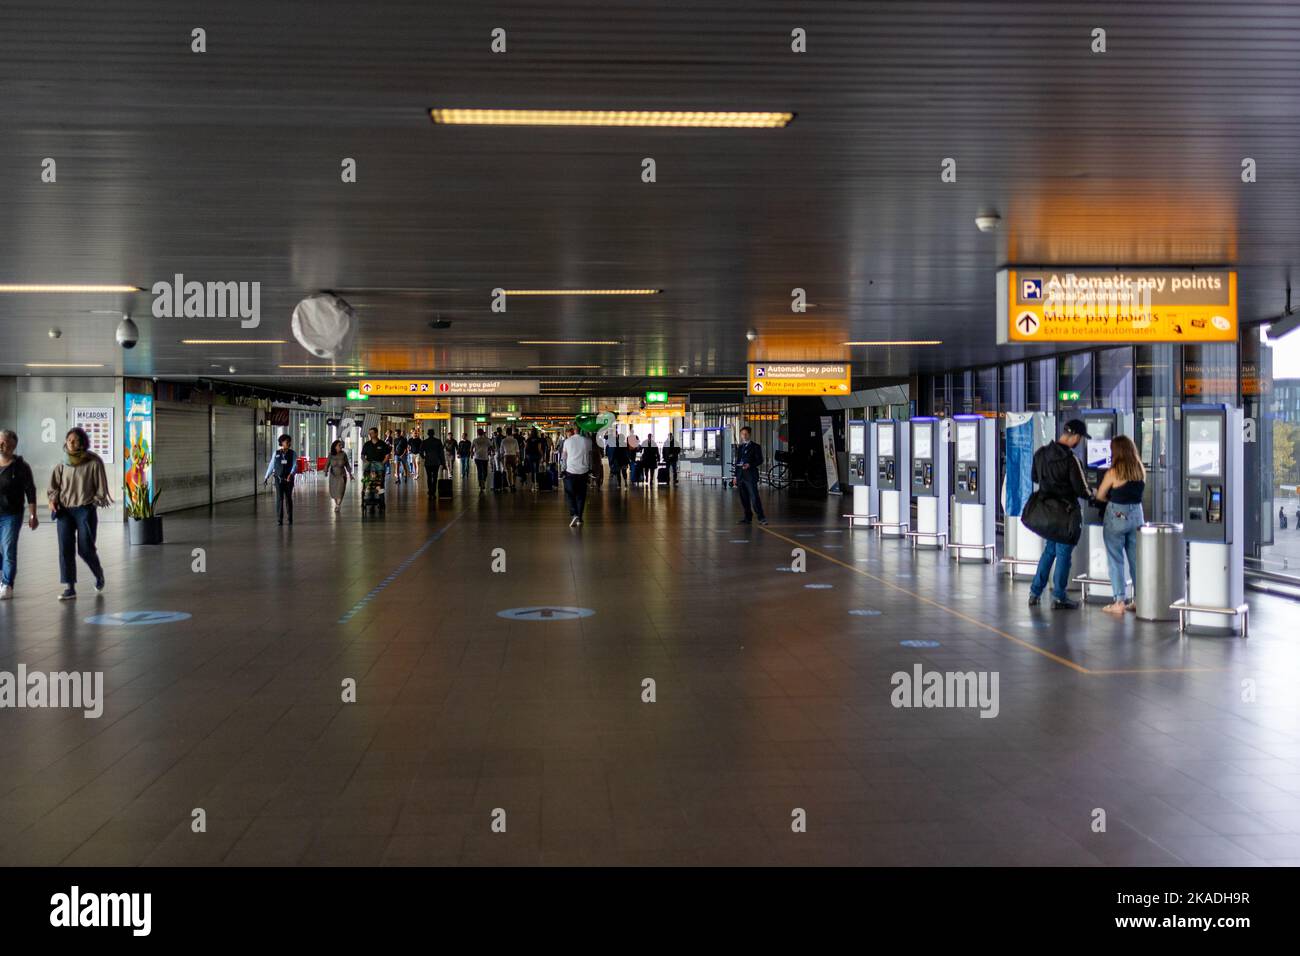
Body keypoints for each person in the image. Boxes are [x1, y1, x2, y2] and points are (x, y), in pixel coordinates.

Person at [1027, 419, 1093, 610]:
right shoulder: (1070, 460)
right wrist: (1094, 495)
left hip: (1047, 512)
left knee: (1049, 551)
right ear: (1076, 437)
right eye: (1080, 438)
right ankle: (1059, 596)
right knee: (1063, 553)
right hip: (1066, 514)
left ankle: (1035, 592)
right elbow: (1082, 490)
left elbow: (1034, 477)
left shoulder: (1041, 454)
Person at [48, 427, 111, 600]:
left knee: (85, 549)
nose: (73, 443)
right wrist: (53, 499)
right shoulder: (62, 463)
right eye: (70, 440)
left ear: (83, 442)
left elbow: (101, 488)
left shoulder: (93, 461)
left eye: (76, 440)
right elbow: (53, 487)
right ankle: (69, 587)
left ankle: (98, 574)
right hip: (64, 511)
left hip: (85, 509)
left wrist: (95, 501)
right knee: (65, 548)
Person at [1094, 435, 1146, 614]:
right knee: (1135, 560)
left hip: (1116, 516)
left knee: (1115, 560)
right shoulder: (1140, 469)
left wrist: (1108, 498)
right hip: (1137, 517)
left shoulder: (1113, 472)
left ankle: (1119, 602)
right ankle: (1140, 600)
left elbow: (1100, 495)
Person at [0, 429, 39, 600]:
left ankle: (7, 583)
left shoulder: (21, 467)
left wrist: (33, 515)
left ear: (13, 445)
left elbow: (30, 491)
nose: (1, 445)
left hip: (11, 515)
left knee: (8, 548)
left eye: (4, 442)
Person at [734, 426, 767, 525]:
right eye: (742, 434)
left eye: (746, 434)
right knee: (744, 498)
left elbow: (760, 460)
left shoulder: (756, 447)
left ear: (749, 434)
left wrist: (750, 464)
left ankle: (761, 517)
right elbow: (737, 461)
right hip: (741, 476)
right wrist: (735, 476)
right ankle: (747, 517)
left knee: (754, 497)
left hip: (750, 476)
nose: (744, 436)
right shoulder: (740, 447)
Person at [263, 433, 298, 526]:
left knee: (288, 498)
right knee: (279, 499)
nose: (289, 443)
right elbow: (271, 465)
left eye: (289, 442)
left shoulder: (292, 453)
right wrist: (266, 477)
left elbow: (295, 465)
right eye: (287, 442)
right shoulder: (276, 453)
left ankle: (290, 517)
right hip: (278, 479)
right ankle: (279, 519)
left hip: (288, 480)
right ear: (282, 443)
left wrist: (291, 474)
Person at [560, 427, 591, 527]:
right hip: (584, 471)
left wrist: (562, 470)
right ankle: (580, 518)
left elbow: (564, 457)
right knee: (581, 495)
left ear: (574, 430)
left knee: (570, 494)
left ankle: (574, 514)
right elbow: (590, 457)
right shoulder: (588, 441)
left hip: (570, 471)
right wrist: (590, 469)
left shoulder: (567, 441)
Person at [325, 439, 353, 513]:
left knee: (340, 491)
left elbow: (347, 465)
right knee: (333, 492)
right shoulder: (331, 454)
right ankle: (337, 503)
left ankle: (338, 505)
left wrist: (350, 474)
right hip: (333, 475)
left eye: (341, 445)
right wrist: (326, 471)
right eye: (339, 445)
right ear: (335, 447)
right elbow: (327, 464)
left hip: (341, 475)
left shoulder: (343, 454)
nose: (341, 446)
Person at [422, 427, 447, 496]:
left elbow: (421, 451)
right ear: (433, 434)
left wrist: (424, 457)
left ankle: (430, 490)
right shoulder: (438, 441)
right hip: (436, 462)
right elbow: (441, 453)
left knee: (429, 477)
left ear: (427, 434)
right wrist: (443, 463)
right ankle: (434, 490)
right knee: (435, 477)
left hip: (428, 462)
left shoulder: (425, 442)